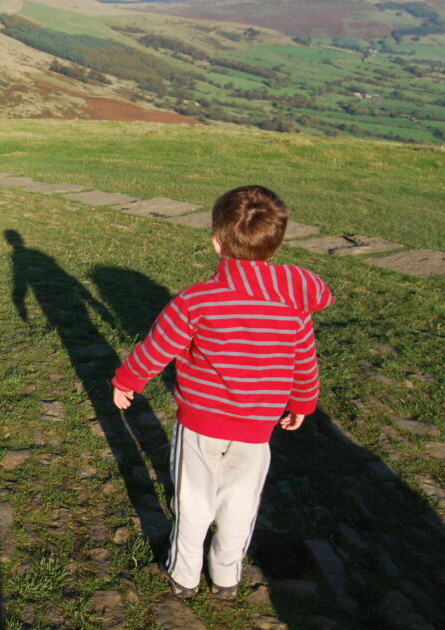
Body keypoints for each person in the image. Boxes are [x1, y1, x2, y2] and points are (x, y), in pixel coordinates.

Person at [111, 185, 333, 600]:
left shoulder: (197, 301)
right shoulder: (294, 299)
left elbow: (159, 346)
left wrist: (127, 380)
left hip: (201, 423)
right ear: (277, 243)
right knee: (240, 505)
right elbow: (304, 354)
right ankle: (227, 577)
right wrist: (303, 401)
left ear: (216, 242)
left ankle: (185, 574)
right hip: (257, 427)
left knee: (193, 502)